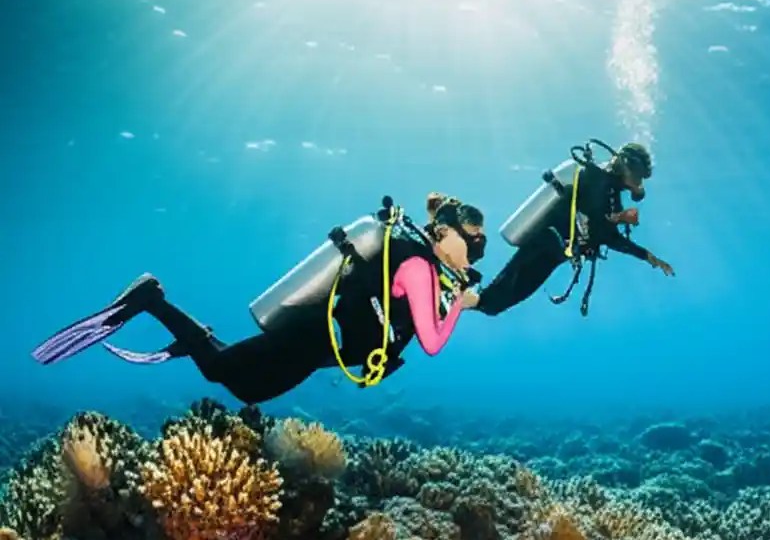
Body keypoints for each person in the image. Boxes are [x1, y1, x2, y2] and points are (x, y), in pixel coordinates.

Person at [32, 195, 487, 406]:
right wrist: (462, 306)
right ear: (446, 233)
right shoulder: (418, 266)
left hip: (321, 344)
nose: (476, 251)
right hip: (315, 337)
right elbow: (431, 342)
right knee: (227, 374)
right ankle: (152, 300)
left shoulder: (425, 266)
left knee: (243, 386)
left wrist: (453, 297)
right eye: (474, 241)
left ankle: (186, 332)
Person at [475, 141, 675, 317]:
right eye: (638, 175)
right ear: (627, 166)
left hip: (557, 251)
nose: (638, 182)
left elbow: (606, 232)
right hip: (548, 242)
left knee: (498, 302)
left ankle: (469, 298)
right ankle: (465, 295)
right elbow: (607, 234)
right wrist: (646, 255)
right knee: (498, 294)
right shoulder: (599, 181)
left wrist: (646, 255)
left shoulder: (608, 189)